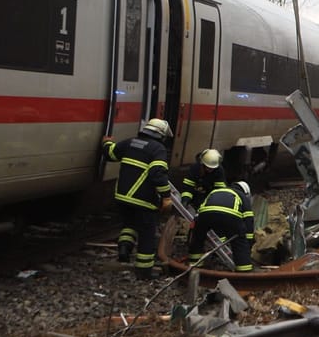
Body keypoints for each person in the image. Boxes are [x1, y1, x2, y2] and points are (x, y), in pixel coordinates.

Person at [101, 118, 173, 280]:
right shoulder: (158, 149)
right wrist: (166, 197)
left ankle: (124, 249)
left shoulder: (130, 142)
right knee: (147, 232)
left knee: (129, 224)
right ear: (161, 135)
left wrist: (106, 143)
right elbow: (157, 174)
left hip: (122, 196)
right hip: (143, 200)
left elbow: (111, 153)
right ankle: (144, 270)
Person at [189, 180, 255, 272]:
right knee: (239, 241)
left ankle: (194, 264)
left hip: (205, 214)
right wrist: (248, 241)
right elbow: (248, 221)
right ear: (246, 192)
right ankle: (244, 270)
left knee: (198, 236)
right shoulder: (241, 195)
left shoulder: (215, 191)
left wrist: (197, 225)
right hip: (230, 215)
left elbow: (202, 208)